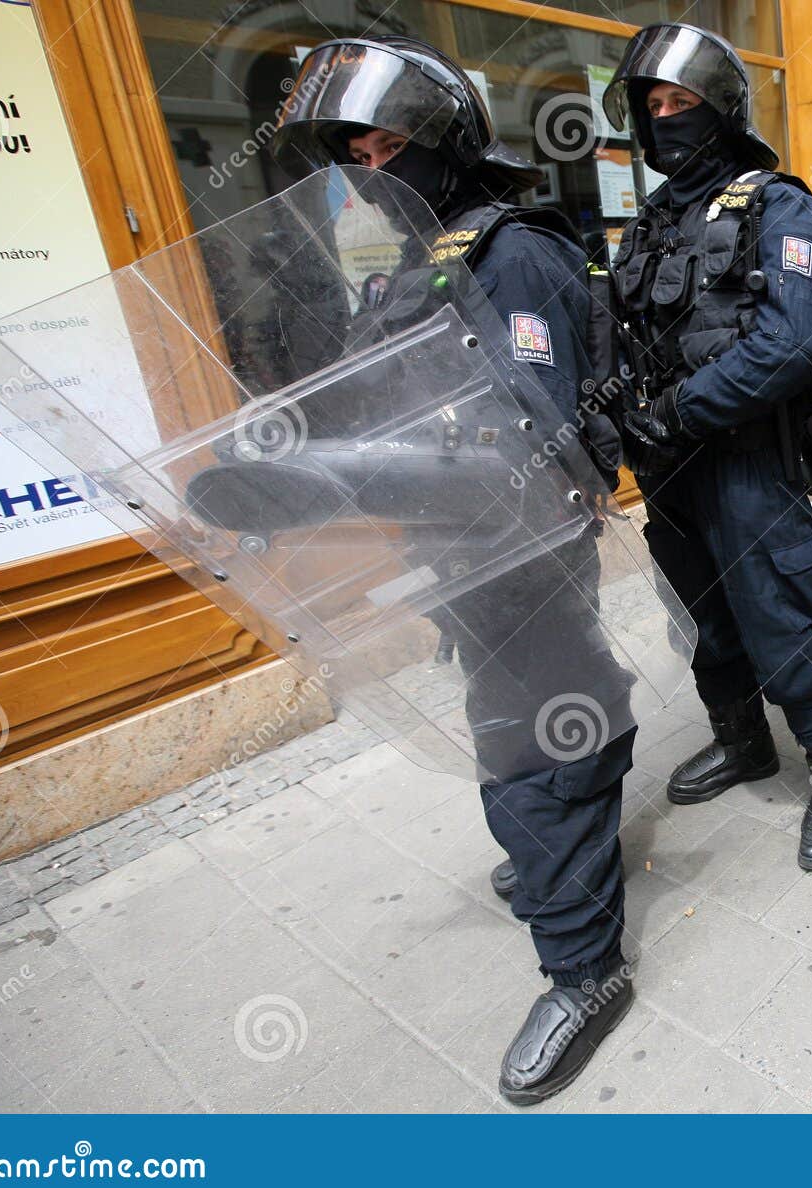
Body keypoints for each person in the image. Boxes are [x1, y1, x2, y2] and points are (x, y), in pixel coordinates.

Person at [271, 35, 637, 1106]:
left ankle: (585, 964)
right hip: (457, 549)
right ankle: (573, 830)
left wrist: (361, 471)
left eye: (389, 143)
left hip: (516, 542)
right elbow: (386, 396)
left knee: (528, 741)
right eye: (357, 151)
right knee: (535, 705)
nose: (372, 167)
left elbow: (520, 438)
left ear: (443, 141)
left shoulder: (510, 251)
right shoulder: (415, 260)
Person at [603, 22, 812, 871]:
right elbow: (623, 329)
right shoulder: (648, 222)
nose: (665, 117)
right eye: (653, 105)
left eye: (680, 101)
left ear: (719, 109)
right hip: (667, 465)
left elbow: (792, 344)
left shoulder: (782, 206)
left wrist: (682, 409)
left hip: (749, 460)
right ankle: (744, 741)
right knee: (703, 620)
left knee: (780, 614)